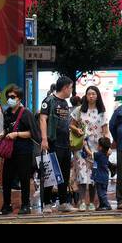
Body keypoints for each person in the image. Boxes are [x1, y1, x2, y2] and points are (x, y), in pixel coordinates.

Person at [0, 84, 35, 215]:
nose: (9, 99)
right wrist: (0, 135)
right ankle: (6, 205)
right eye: (8, 97)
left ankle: (26, 205)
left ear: (19, 98)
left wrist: (17, 134)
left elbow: (32, 133)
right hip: (9, 152)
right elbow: (6, 129)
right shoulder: (6, 112)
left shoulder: (26, 113)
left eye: (12, 97)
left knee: (24, 178)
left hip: (23, 151)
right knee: (6, 179)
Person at [38, 75, 75, 211]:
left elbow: (66, 121)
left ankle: (63, 203)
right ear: (65, 88)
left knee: (64, 173)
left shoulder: (65, 103)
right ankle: (47, 203)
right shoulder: (49, 101)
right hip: (53, 143)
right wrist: (44, 139)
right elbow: (42, 120)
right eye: (70, 88)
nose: (71, 91)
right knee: (51, 173)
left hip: (65, 144)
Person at [72, 84, 109, 211]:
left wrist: (106, 147)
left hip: (97, 148)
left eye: (94, 94)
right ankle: (82, 201)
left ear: (97, 96)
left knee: (94, 176)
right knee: (82, 175)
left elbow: (105, 131)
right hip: (81, 147)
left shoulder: (102, 112)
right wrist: (78, 129)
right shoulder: (79, 110)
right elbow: (71, 125)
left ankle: (92, 202)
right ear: (86, 96)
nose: (91, 96)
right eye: (89, 94)